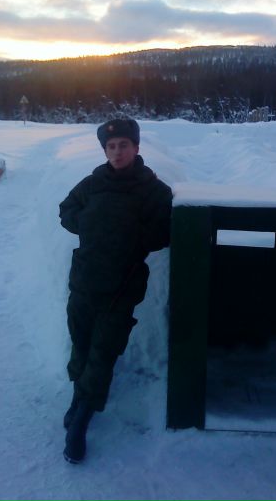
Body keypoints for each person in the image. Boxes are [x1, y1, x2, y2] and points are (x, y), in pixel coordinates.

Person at [59, 118, 173, 464]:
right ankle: (78, 397)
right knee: (81, 342)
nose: (117, 152)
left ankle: (81, 420)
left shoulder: (153, 190)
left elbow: (163, 233)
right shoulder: (93, 183)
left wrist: (127, 234)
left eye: (124, 145)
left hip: (121, 285)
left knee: (103, 350)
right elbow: (66, 210)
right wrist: (91, 226)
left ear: (136, 148)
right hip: (84, 279)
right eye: (111, 146)